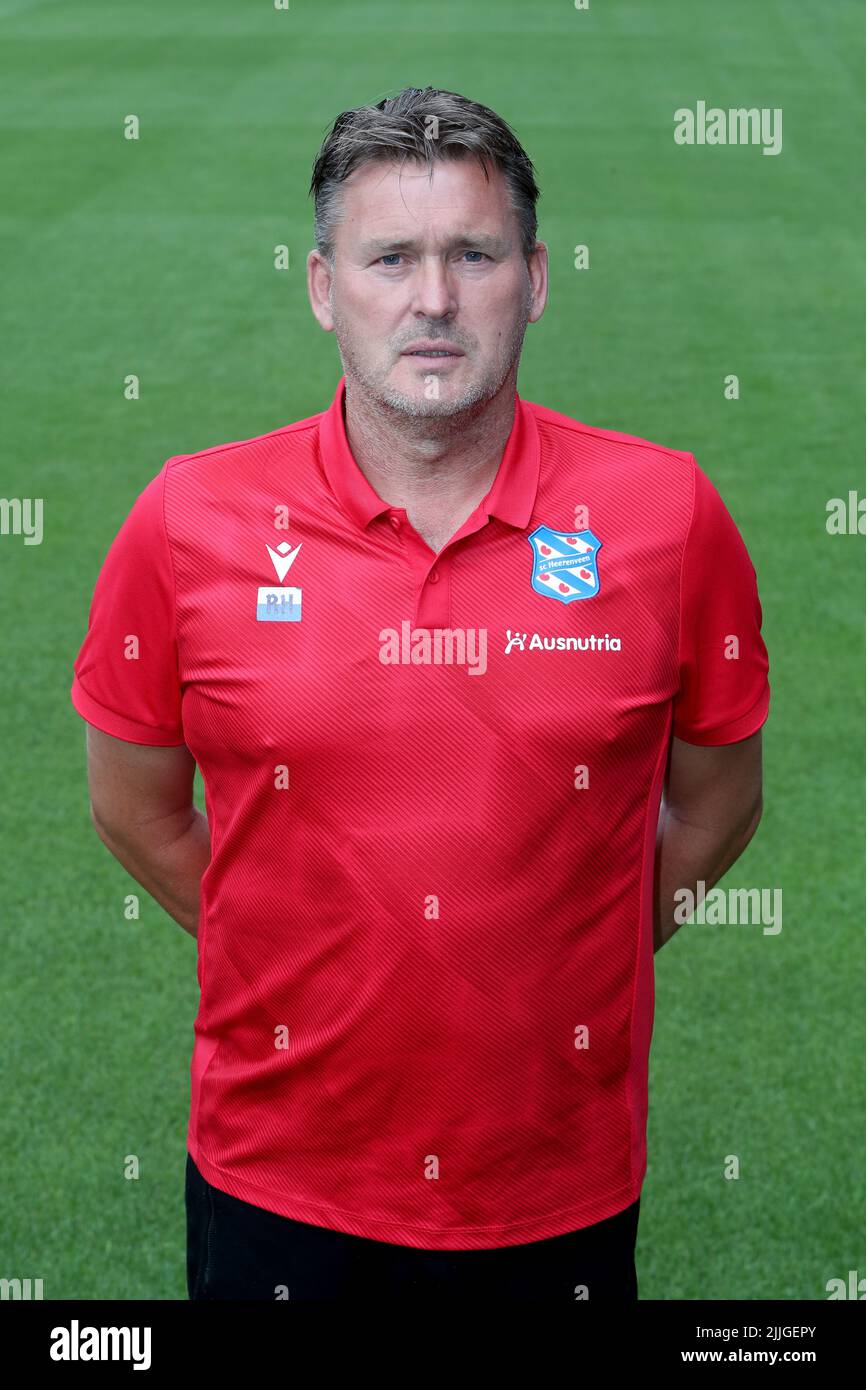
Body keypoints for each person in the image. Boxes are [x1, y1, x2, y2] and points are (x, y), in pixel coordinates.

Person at [69, 86, 770, 1302]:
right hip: (275, 1181)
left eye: (473, 255)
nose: (432, 298)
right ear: (322, 286)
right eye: (389, 257)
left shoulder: (666, 514)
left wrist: (564, 949)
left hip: (558, 1187)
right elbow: (135, 807)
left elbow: (716, 802)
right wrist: (291, 949)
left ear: (534, 280)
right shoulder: (188, 520)